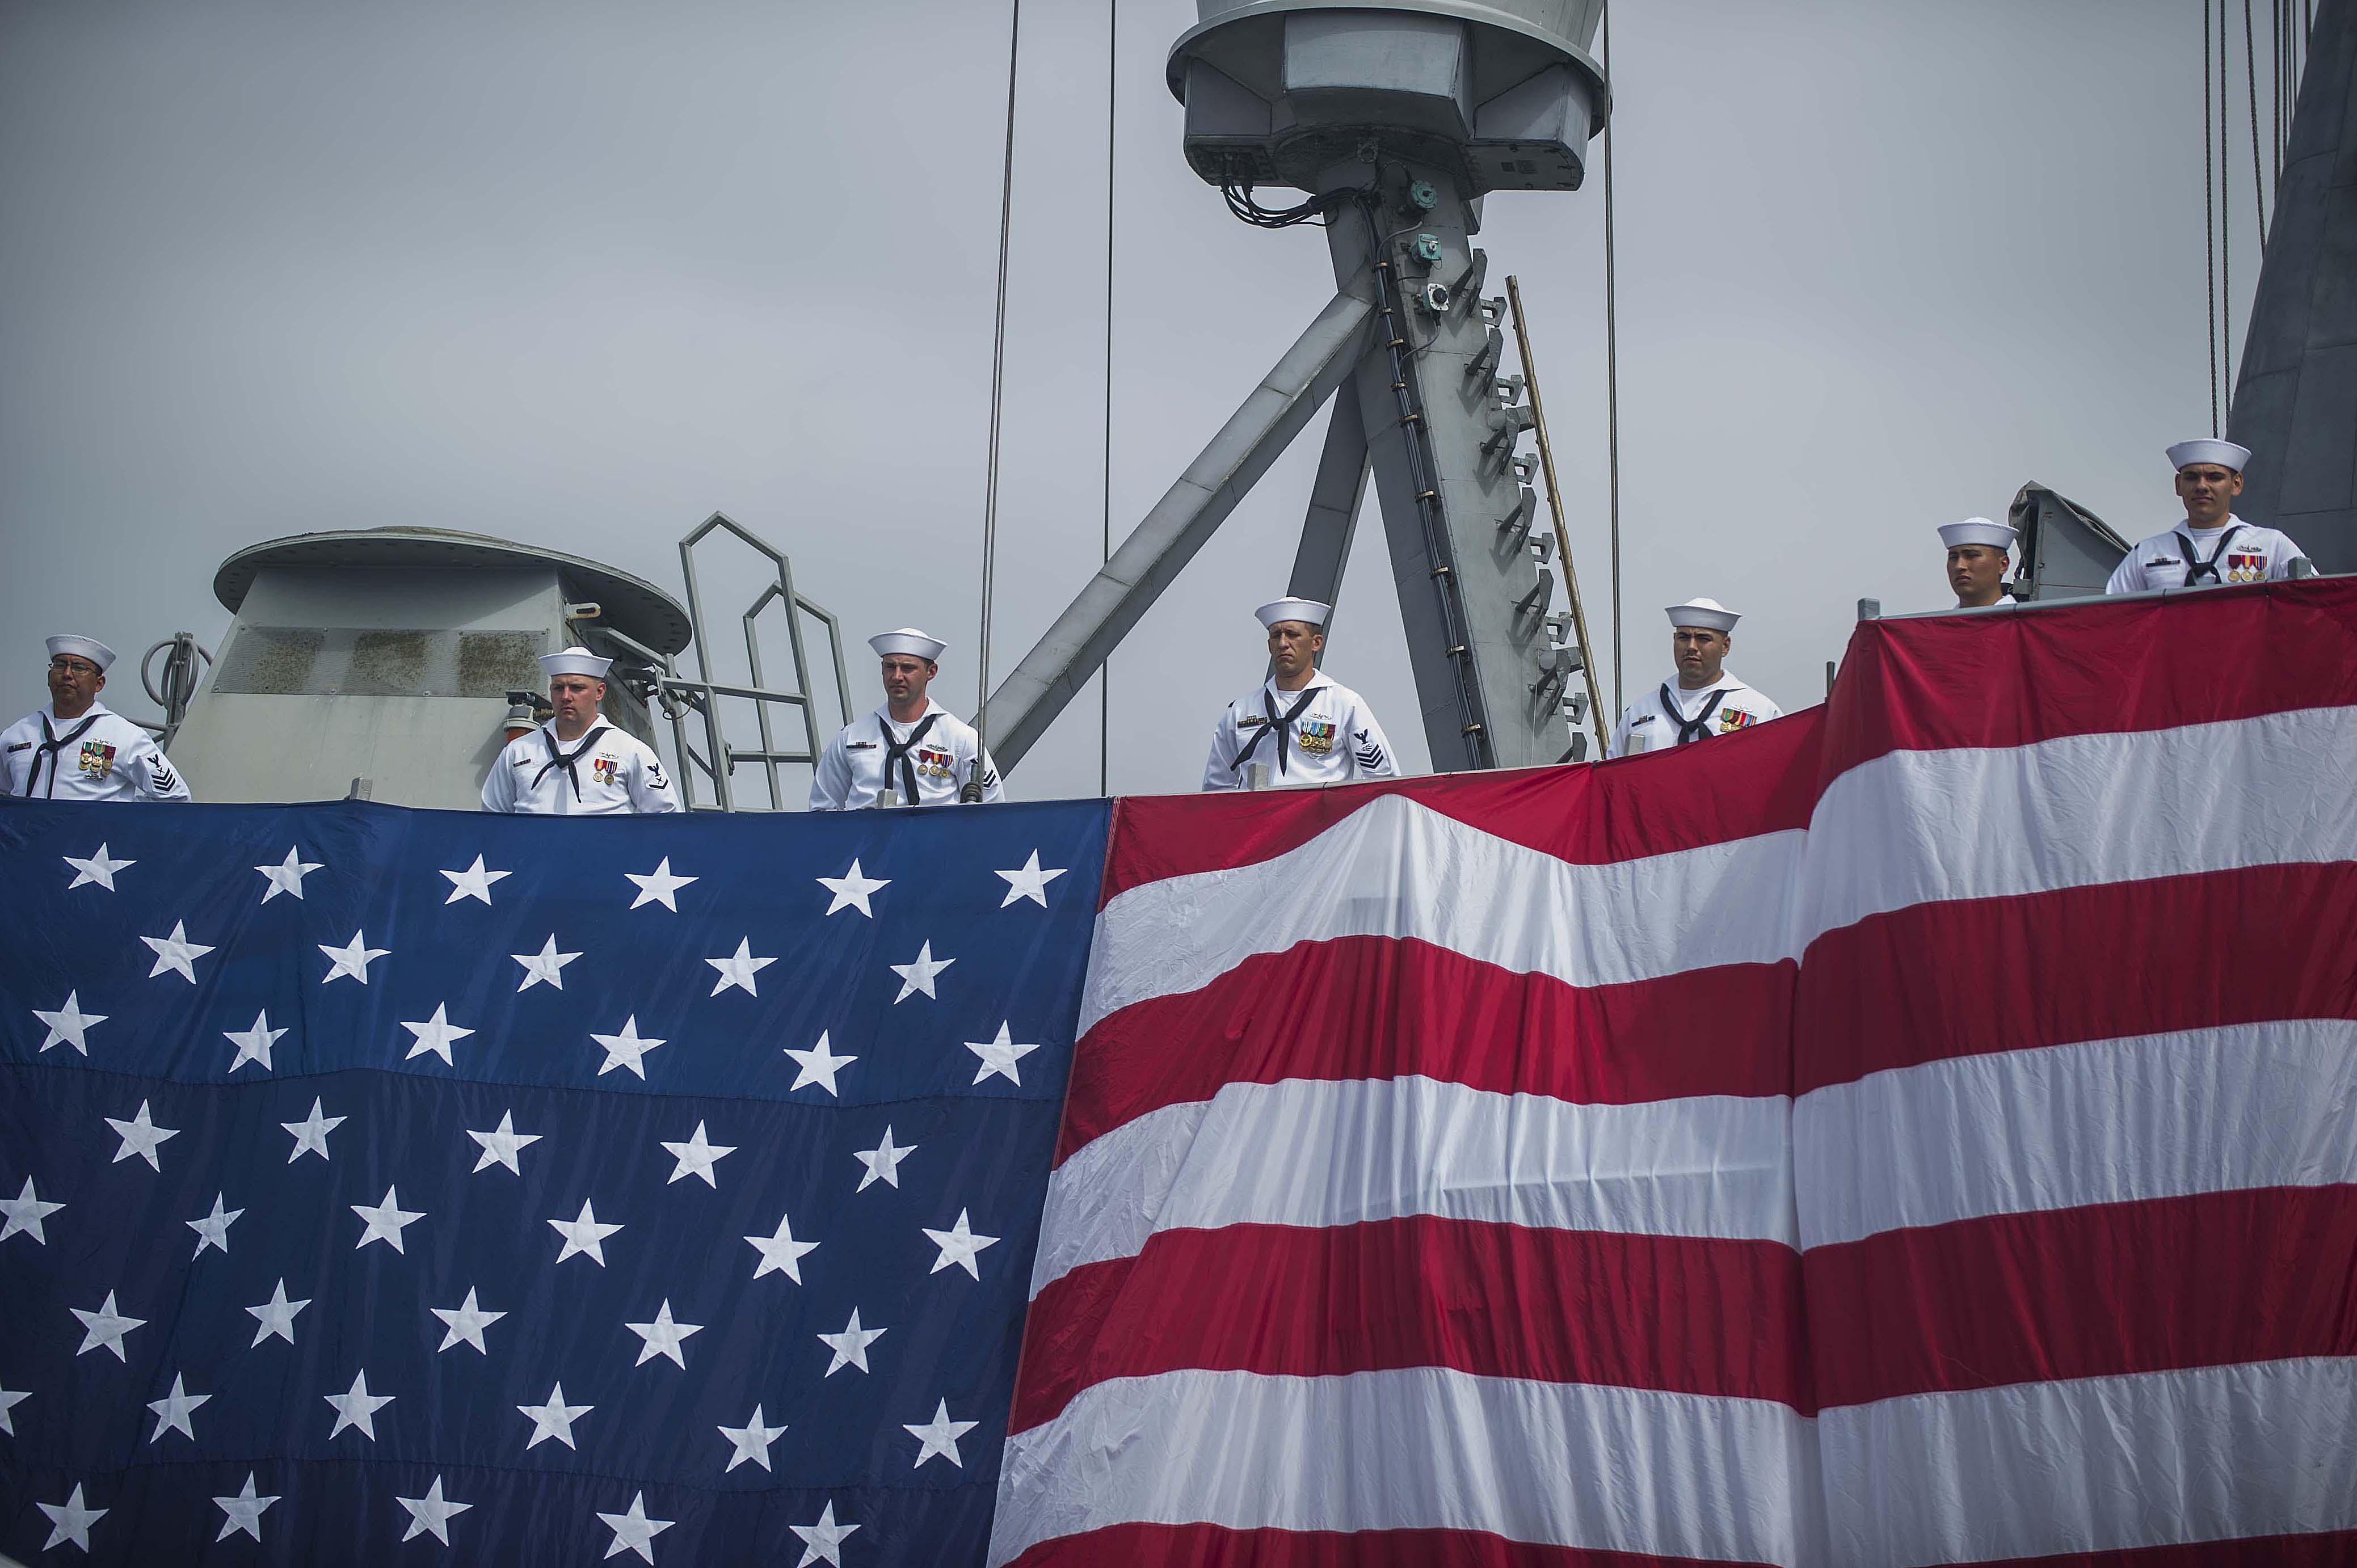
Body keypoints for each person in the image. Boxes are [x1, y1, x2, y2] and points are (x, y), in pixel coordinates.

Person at [1202, 598, 1398, 791]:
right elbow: (1216, 789)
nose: (1283, 643)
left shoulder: (1344, 704)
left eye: (1292, 634)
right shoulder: (1240, 711)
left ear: (1316, 643)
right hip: (1259, 812)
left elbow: (1383, 778)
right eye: (1276, 636)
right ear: (1269, 646)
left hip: (1324, 813)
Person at [809, 629, 1002, 810]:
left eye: (908, 668)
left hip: (936, 835)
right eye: (890, 667)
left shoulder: (960, 738)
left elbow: (992, 808)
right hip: (868, 835)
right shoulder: (851, 738)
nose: (897, 676)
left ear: (931, 672)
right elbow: (822, 808)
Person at [481, 647, 679, 815]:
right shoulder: (519, 751)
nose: (566, 697)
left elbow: (666, 818)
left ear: (599, 692)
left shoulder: (630, 751)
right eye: (559, 688)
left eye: (577, 688)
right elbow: (492, 818)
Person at [2, 636, 192, 802]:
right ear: (49, 677)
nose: (67, 674)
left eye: (79, 668)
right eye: (60, 665)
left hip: (94, 834)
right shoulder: (16, 735)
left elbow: (175, 797)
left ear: (99, 684)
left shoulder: (125, 737)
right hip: (27, 834)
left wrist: (115, 820)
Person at [2105, 439, 2310, 593]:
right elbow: (2114, 613)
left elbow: (2312, 604)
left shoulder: (2272, 546)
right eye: (2192, 477)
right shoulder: (2147, 553)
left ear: (2236, 484)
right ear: (2178, 485)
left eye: (2215, 477)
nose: (2202, 486)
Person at [1610, 598, 1782, 757]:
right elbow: (1613, 773)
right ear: (1674, 640)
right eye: (1684, 637)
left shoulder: (1760, 711)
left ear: (1725, 646)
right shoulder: (1640, 711)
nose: (1692, 647)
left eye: (1703, 639)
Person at [1941, 517, 2019, 609]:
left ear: (2003, 565)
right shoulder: (1940, 618)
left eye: (1972, 556)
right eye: (1953, 558)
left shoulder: (2022, 617)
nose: (1959, 566)